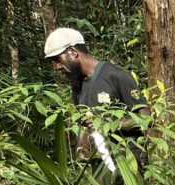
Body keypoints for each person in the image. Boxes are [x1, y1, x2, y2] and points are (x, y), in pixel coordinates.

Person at [43, 27, 148, 174]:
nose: (56, 67)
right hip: (100, 171)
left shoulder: (116, 76)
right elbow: (85, 125)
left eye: (57, 60)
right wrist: (81, 147)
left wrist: (109, 124)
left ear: (73, 52)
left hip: (129, 168)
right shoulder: (77, 86)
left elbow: (145, 118)